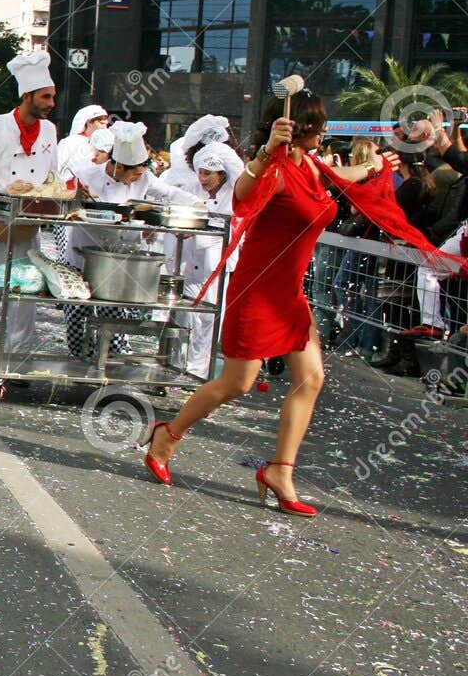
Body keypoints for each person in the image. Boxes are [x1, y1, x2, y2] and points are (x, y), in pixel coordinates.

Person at [141, 80, 467, 514]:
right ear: (296, 128)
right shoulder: (273, 169)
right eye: (316, 125)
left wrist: (372, 167)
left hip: (289, 294)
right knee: (237, 382)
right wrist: (265, 151)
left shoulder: (311, 165)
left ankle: (280, 470)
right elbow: (242, 196)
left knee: (311, 379)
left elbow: (342, 177)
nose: (323, 132)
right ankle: (167, 436)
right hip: (257, 290)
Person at [61, 120, 200, 360]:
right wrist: (72, 197)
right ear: (118, 167)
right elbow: (60, 201)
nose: (137, 179)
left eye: (140, 174)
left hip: (119, 262)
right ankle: (80, 360)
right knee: (77, 317)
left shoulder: (145, 179)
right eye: (133, 174)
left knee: (114, 318)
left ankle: (114, 362)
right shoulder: (85, 175)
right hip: (83, 258)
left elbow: (171, 193)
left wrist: (196, 204)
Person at [0, 51, 59, 365]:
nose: (51, 103)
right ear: (27, 96)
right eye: (45, 97)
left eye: (52, 96)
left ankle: (17, 358)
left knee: (27, 291)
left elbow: (52, 176)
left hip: (29, 222)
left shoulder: (49, 131)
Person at [176, 140, 244, 379]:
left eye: (208, 174)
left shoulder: (234, 194)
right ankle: (176, 366)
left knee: (209, 321)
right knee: (183, 315)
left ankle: (199, 372)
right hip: (189, 261)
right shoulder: (191, 189)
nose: (202, 178)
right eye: (200, 172)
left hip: (216, 265)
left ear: (222, 174)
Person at [55, 103, 110, 180]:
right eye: (101, 123)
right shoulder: (70, 142)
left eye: (106, 124)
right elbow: (56, 168)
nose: (104, 127)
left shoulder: (107, 144)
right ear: (89, 122)